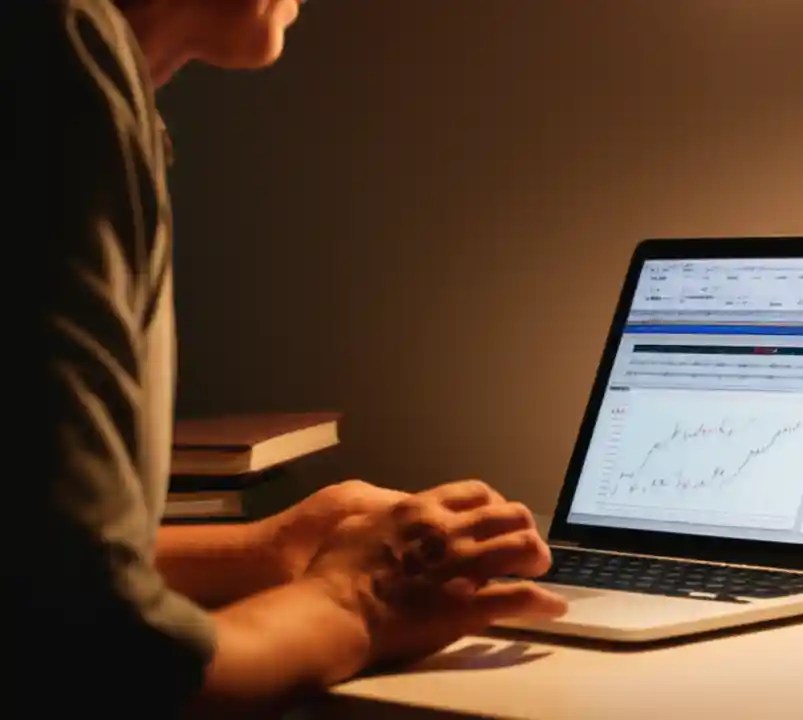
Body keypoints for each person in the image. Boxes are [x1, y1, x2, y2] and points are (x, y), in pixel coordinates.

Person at [12, 0, 568, 716]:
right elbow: (101, 664)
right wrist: (358, 597)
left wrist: (265, 547)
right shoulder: (54, 56)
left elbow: (31, 572)